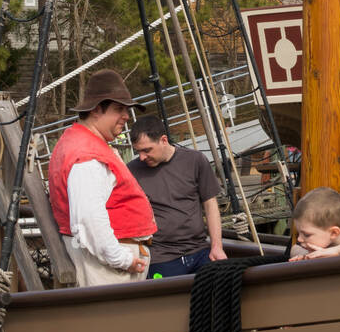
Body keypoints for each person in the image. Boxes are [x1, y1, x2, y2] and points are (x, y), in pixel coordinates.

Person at [47, 70, 156, 286]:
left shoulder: (79, 144)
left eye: (126, 109)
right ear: (97, 110)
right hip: (108, 269)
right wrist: (122, 259)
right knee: (113, 320)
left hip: (108, 264)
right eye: (119, 109)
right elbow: (89, 219)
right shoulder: (87, 156)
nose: (126, 116)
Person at [127, 115, 228, 278]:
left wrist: (217, 246)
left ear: (164, 140)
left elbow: (210, 204)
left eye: (147, 150)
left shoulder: (195, 160)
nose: (142, 157)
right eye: (138, 151)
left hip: (200, 250)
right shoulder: (131, 171)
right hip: (160, 256)